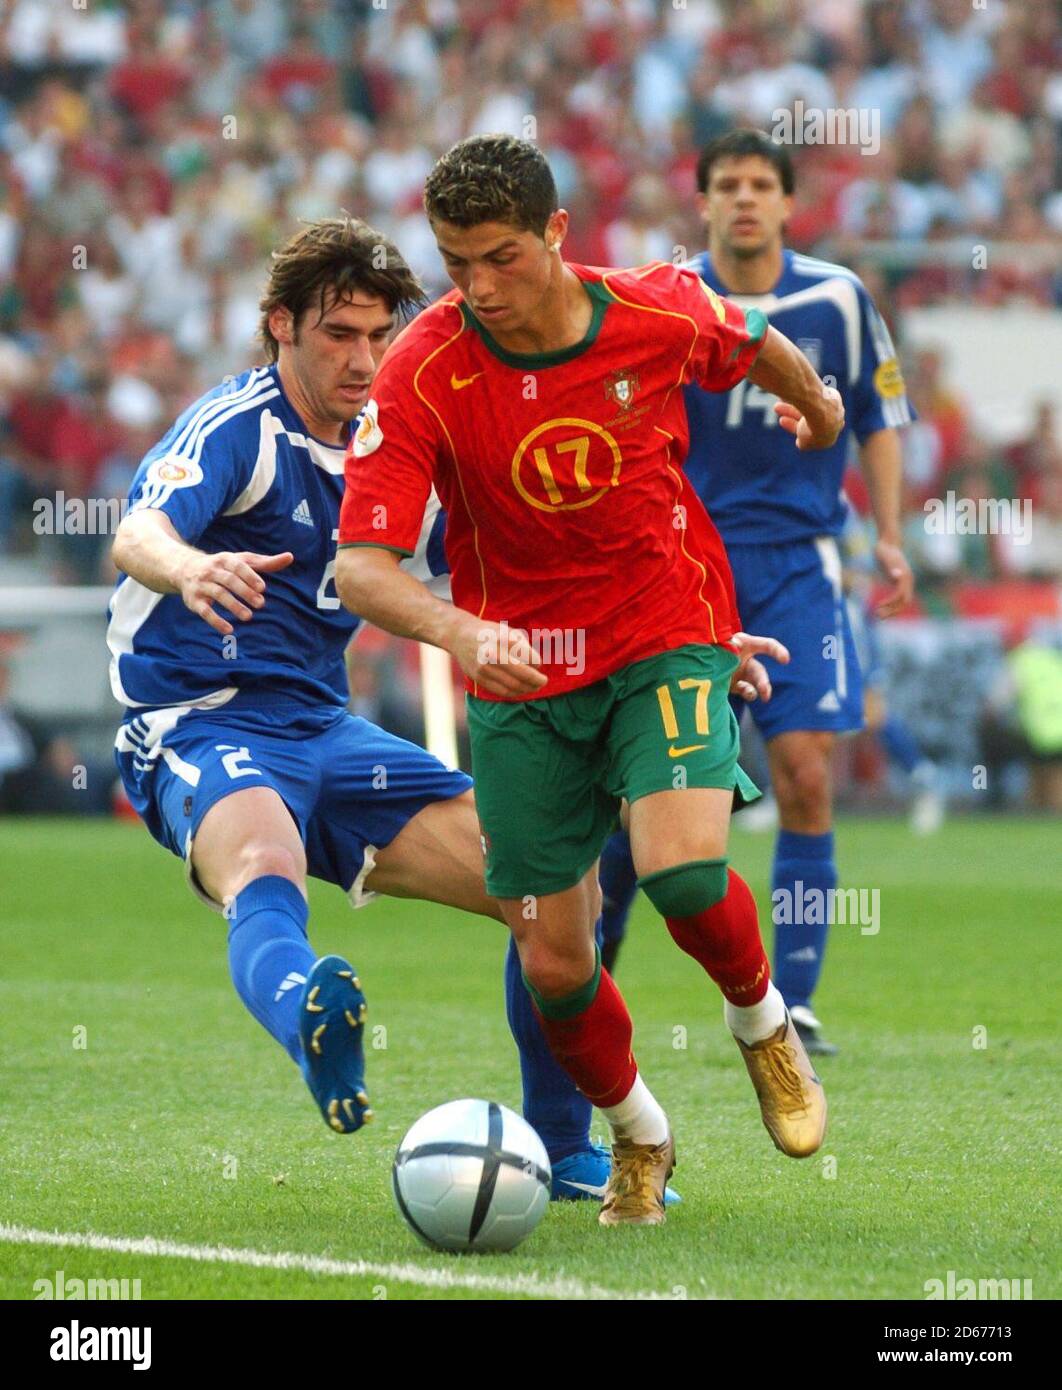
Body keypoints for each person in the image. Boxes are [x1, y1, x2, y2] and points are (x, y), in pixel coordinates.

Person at [335, 134, 843, 1226]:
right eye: (455, 262)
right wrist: (462, 633)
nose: (478, 288)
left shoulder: (654, 308)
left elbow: (754, 338)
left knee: (681, 872)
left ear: (557, 235)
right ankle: (641, 1137)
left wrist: (824, 408)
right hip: (519, 675)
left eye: (501, 258)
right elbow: (360, 567)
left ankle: (766, 1029)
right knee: (553, 955)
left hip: (666, 632)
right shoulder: (424, 366)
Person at [107, 216, 615, 1195]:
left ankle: (565, 1147)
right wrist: (192, 566)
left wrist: (699, 640)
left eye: (380, 335)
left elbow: (562, 562)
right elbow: (138, 533)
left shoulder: (404, 449)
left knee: (550, 884)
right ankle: (313, 1017)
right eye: (339, 333)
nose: (363, 358)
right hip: (196, 720)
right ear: (280, 327)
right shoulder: (239, 425)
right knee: (264, 857)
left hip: (327, 732)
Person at [598, 130, 916, 1055]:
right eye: (727, 184)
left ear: (787, 203)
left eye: (760, 185)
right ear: (702, 202)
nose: (743, 199)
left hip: (801, 564)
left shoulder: (839, 300)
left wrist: (889, 536)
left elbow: (879, 417)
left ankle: (797, 1000)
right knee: (646, 794)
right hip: (684, 568)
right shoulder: (669, 299)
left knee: (808, 773)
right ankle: (590, 984)